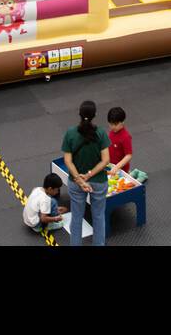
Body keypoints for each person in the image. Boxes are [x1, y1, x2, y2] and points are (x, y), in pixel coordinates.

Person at [61, 100, 111, 246]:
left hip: (76, 183)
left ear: (80, 114)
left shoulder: (70, 133)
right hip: (99, 182)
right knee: (99, 217)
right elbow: (105, 160)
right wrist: (89, 175)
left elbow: (68, 161)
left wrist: (80, 180)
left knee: (76, 218)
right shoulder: (101, 133)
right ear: (95, 114)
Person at [107, 106, 145, 182]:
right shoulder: (112, 132)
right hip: (110, 166)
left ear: (122, 122)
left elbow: (129, 155)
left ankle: (139, 176)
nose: (113, 127)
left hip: (121, 170)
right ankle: (133, 173)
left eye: (115, 124)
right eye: (111, 124)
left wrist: (117, 167)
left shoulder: (125, 137)